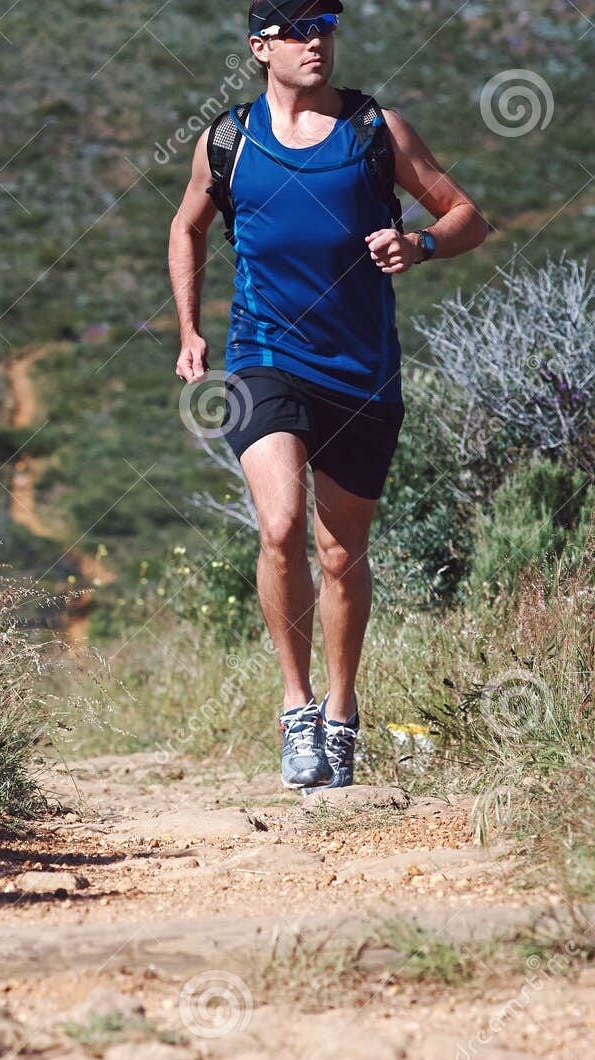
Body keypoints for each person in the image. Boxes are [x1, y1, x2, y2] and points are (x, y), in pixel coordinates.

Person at [167, 1, 488, 789]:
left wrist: (420, 243)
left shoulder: (379, 131)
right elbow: (188, 229)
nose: (317, 42)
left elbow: (469, 216)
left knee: (342, 553)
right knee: (279, 525)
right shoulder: (229, 141)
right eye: (299, 29)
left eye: (327, 26)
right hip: (263, 357)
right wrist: (190, 330)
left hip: (362, 368)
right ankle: (297, 707)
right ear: (260, 47)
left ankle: (343, 715)